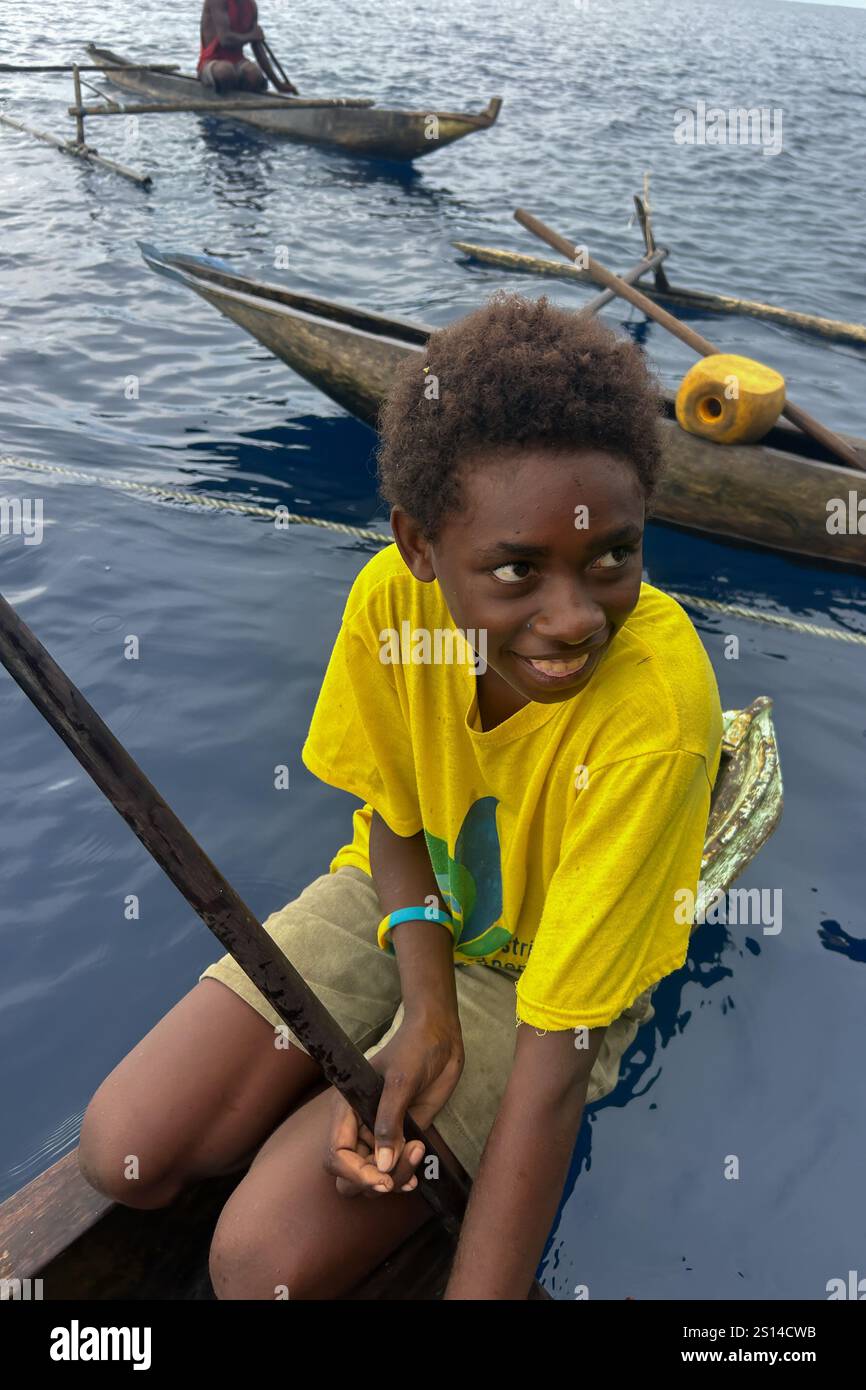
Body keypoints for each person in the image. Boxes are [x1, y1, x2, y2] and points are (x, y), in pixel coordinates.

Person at [78, 294, 724, 1301]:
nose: (572, 618)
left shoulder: (658, 714)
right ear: (421, 547)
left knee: (256, 1266)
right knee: (124, 1151)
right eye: (515, 569)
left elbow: (555, 1066)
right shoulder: (388, 602)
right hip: (402, 896)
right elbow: (395, 820)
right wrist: (424, 1009)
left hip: (538, 982)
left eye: (612, 557)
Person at [198, 0, 268, 94]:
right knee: (225, 71)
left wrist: (278, 84)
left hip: (237, 61)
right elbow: (225, 40)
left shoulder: (251, 4)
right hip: (211, 61)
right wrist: (251, 36)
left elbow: (257, 47)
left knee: (254, 74)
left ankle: (242, 101)